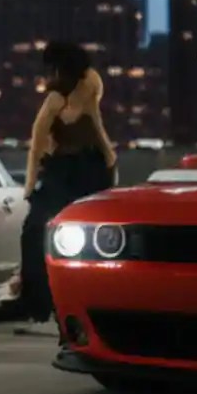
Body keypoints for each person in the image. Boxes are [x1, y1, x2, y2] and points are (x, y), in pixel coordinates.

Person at [17, 41, 117, 338]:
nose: (52, 74)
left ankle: (93, 305)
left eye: (56, 68)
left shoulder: (89, 82)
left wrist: (61, 102)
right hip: (61, 166)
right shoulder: (53, 98)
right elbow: (37, 143)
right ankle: (39, 309)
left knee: (94, 239)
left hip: (92, 165)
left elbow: (82, 115)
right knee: (34, 231)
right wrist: (31, 184)